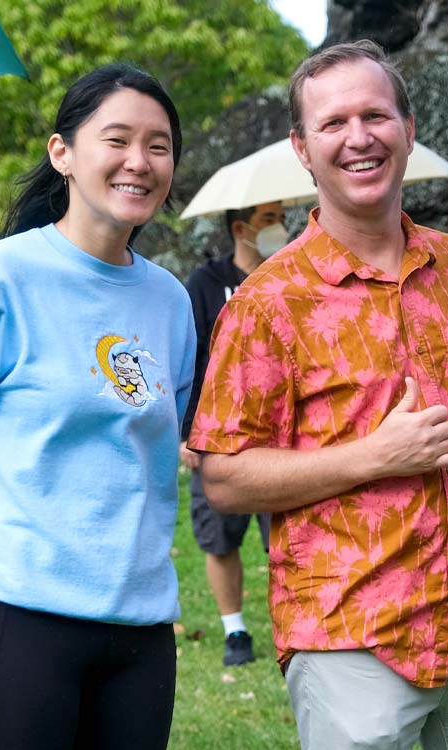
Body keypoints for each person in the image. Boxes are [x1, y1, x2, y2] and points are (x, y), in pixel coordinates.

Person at [186, 40, 448, 750]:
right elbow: (221, 476)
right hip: (350, 634)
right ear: (302, 150)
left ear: (409, 129)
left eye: (376, 114)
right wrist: (374, 456)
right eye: (334, 122)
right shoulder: (267, 301)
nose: (360, 137)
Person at [0, 64, 193, 750]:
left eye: (158, 146)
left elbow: (160, 449)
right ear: (63, 153)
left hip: (140, 636)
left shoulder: (169, 300)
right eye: (116, 139)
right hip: (15, 621)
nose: (139, 162)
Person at [180, 200, 285, 666]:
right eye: (269, 219)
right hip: (215, 435)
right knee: (219, 539)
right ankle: (235, 631)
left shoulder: (293, 274)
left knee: (285, 537)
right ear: (241, 228)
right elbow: (188, 360)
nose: (280, 227)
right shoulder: (205, 285)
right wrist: (186, 432)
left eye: (282, 217)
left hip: (283, 437)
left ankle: (292, 629)